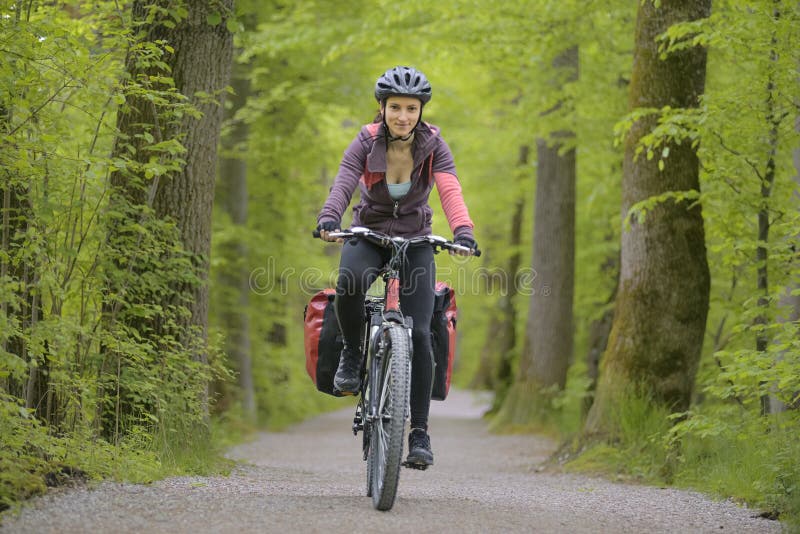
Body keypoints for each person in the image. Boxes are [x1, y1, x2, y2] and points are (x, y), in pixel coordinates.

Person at [316, 66, 477, 468]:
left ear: (420, 110)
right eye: (395, 108)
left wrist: (463, 231)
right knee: (350, 281)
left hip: (416, 238)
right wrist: (330, 217)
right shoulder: (365, 141)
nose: (403, 116)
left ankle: (419, 433)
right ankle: (353, 353)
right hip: (368, 233)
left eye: (411, 108)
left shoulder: (434, 146)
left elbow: (450, 189)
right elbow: (345, 180)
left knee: (421, 332)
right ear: (382, 108)